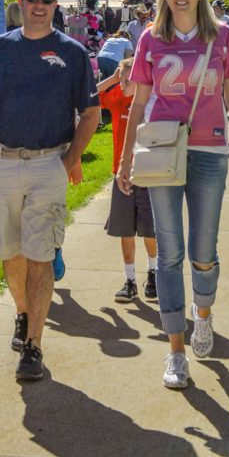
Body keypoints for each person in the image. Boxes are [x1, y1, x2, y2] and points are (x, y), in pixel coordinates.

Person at [117, 0, 229, 391]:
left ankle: (203, 313)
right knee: (168, 253)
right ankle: (176, 351)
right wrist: (125, 160)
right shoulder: (150, 38)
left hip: (210, 151)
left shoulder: (222, 37)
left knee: (203, 250)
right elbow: (138, 103)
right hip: (163, 152)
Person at [0, 0, 100, 383]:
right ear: (21, 3)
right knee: (11, 253)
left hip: (48, 165)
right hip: (3, 163)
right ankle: (23, 313)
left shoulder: (73, 53)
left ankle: (34, 345)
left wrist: (68, 160)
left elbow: (91, 113)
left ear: (55, 5)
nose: (39, 5)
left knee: (41, 255)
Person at [98, 57, 157, 302]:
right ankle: (130, 280)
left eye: (127, 81)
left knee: (150, 229)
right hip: (121, 175)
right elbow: (89, 97)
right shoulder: (117, 98)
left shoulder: (150, 104)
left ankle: (153, 273)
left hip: (146, 174)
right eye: (121, 80)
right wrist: (112, 79)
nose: (122, 85)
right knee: (125, 229)